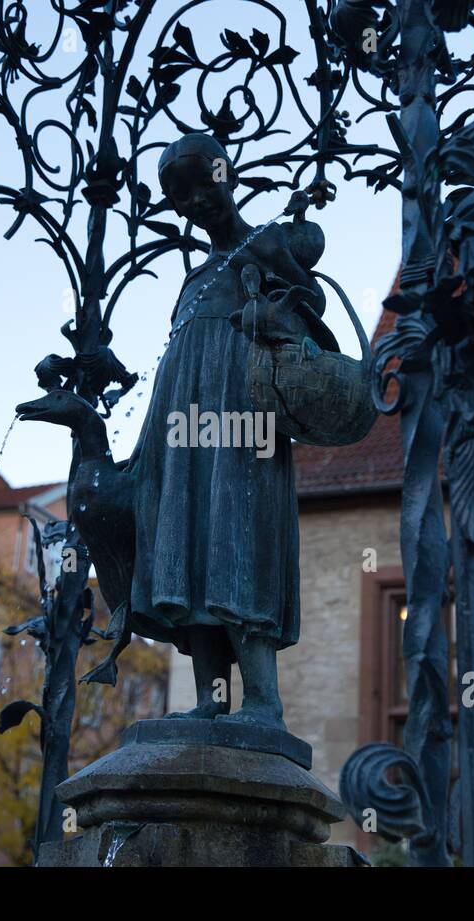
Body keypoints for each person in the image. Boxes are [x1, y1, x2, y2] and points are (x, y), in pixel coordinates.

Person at [127, 133, 338, 731]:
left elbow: (311, 326)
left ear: (226, 174)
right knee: (187, 546)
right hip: (181, 422)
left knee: (234, 539)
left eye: (201, 184)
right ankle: (211, 701)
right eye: (179, 196)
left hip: (242, 420)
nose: (193, 202)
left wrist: (269, 315)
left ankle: (263, 705)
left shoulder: (265, 243)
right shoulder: (194, 276)